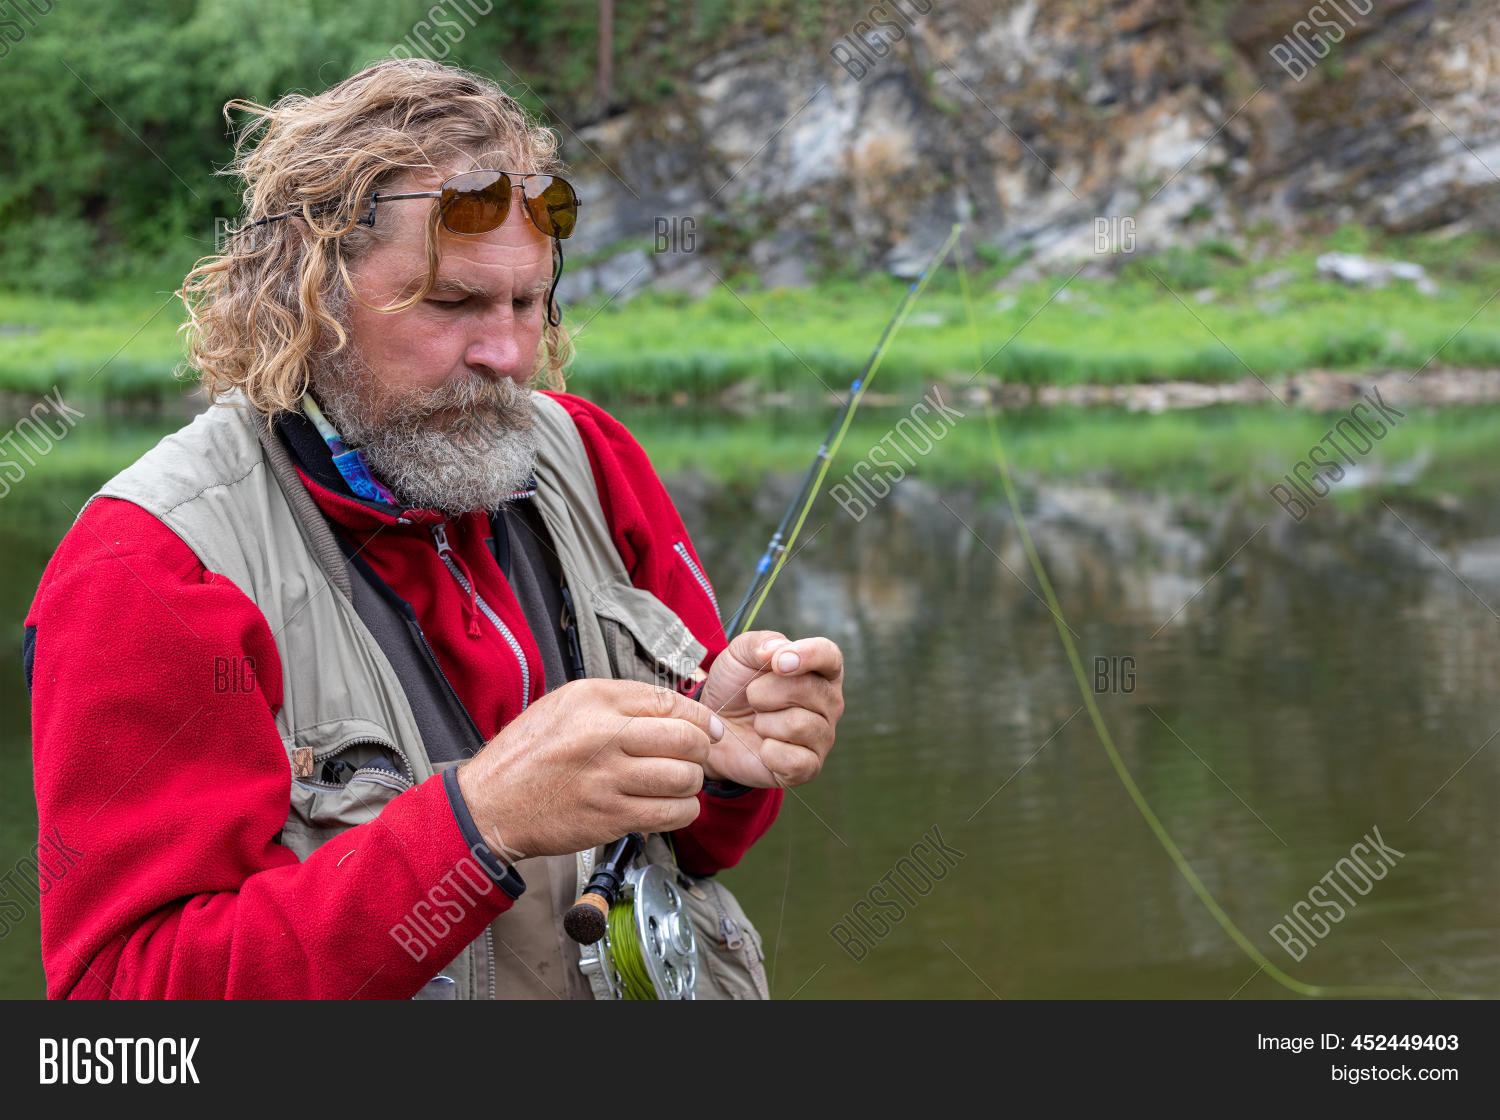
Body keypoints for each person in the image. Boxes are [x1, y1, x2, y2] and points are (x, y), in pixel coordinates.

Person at [24, 58, 844, 1000]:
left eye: (528, 302)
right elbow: (124, 1011)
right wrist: (476, 825)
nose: (504, 353)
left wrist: (726, 758)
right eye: (451, 303)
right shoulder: (150, 569)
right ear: (310, 297)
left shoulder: (592, 457)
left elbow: (698, 844)